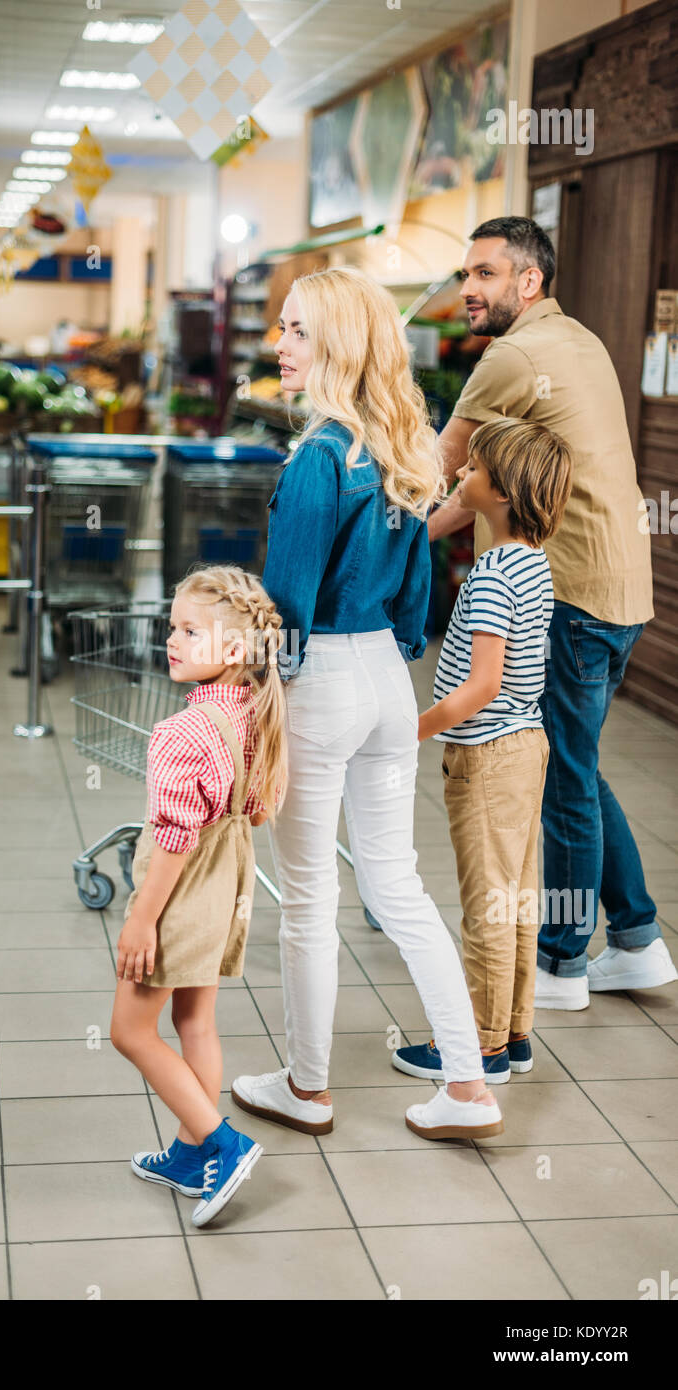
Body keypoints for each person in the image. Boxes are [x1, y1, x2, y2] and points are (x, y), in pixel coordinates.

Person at [231, 265, 504, 1143]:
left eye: (298, 330)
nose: (280, 344)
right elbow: (417, 589)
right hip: (389, 678)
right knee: (398, 887)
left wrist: (252, 700)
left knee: (307, 896)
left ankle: (305, 1087)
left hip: (322, 686)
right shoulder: (399, 450)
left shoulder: (318, 456)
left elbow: (284, 603)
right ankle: (467, 1085)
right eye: (280, 327)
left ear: (339, 343)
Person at [428, 216, 677, 1007]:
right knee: (577, 764)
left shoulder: (511, 354)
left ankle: (562, 961)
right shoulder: (580, 339)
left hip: (571, 592)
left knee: (559, 776)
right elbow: (476, 487)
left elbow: (441, 469)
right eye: (465, 274)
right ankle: (634, 939)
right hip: (622, 588)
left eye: (486, 275)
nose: (468, 288)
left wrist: (380, 540)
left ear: (527, 282)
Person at [393, 417, 571, 1086]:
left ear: (501, 490)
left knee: (485, 905)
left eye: (470, 469)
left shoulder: (494, 573)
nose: (459, 477)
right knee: (516, 899)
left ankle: (479, 1048)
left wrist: (411, 729)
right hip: (525, 747)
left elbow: (482, 685)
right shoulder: (532, 563)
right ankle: (513, 1032)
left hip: (490, 756)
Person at [109, 565, 286, 1228]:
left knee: (130, 1030)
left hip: (179, 893)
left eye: (189, 630)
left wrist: (141, 921)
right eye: (171, 627)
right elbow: (258, 807)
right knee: (194, 1022)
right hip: (228, 886)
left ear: (235, 651)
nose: (171, 640)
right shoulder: (255, 711)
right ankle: (189, 1155)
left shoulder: (181, 734)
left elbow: (175, 841)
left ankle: (221, 1142)